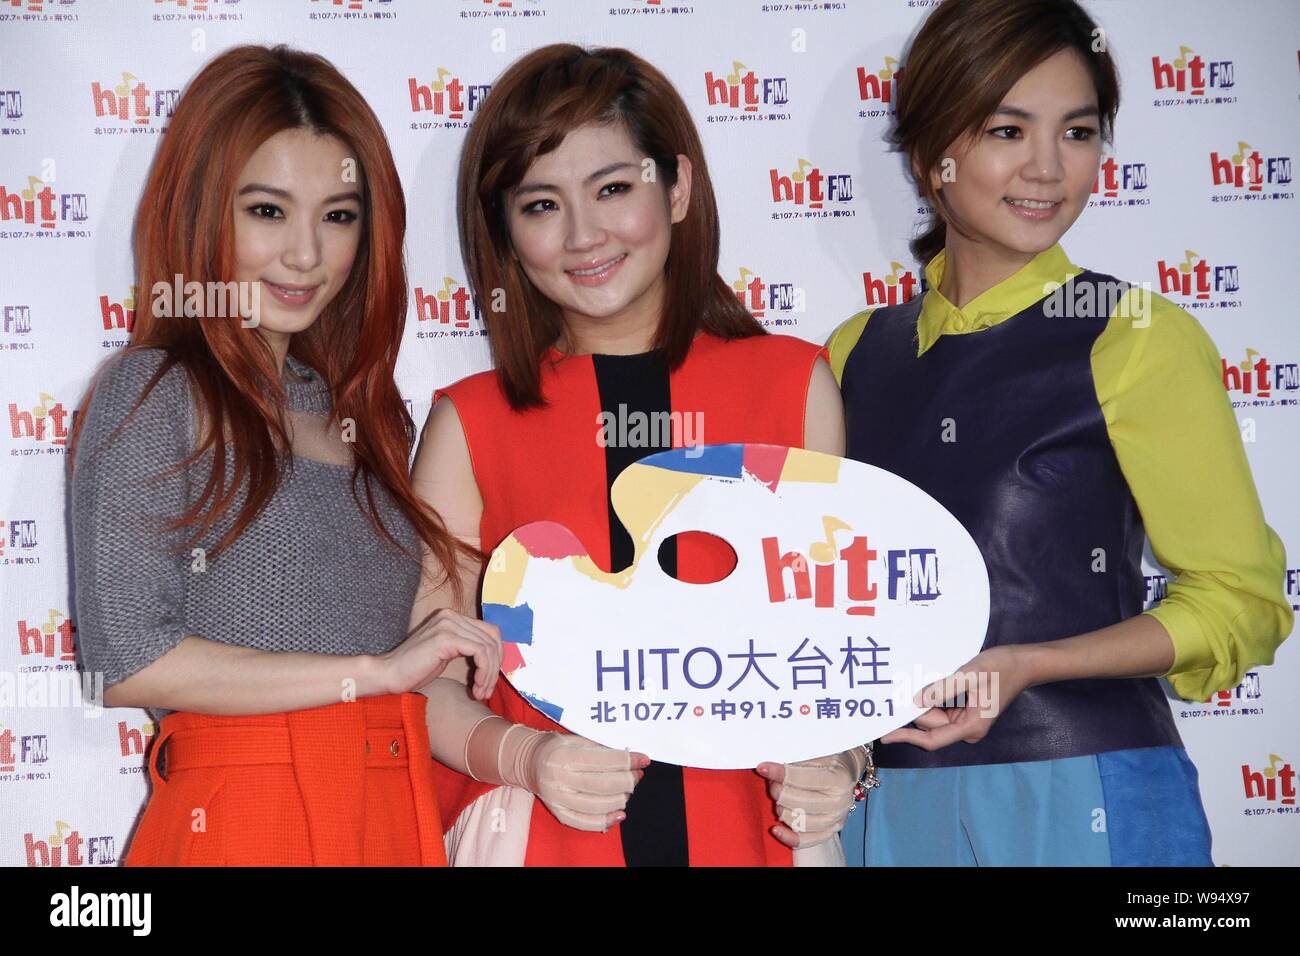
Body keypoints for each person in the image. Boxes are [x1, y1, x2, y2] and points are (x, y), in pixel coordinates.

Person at [828, 0, 1293, 866]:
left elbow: (1241, 603)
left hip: (1087, 794)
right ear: (936, 153)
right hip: (883, 805)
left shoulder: (1136, 337)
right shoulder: (855, 353)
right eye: (1009, 130)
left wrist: (1030, 665)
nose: (1048, 168)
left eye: (1077, 133)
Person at [411, 44, 868, 866]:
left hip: (758, 834)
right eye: (541, 204)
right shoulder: (472, 423)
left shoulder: (794, 385)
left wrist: (847, 763)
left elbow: (845, 647)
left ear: (679, 187)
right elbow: (429, 677)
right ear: (506, 233)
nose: (584, 235)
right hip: (550, 840)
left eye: (614, 189)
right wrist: (526, 757)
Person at [68, 44, 501, 867]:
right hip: (247, 814)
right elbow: (127, 661)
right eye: (267, 211)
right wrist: (372, 673)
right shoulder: (156, 389)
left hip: (391, 807)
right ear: (203, 209)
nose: (307, 254)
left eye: (338, 215)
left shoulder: (367, 418)